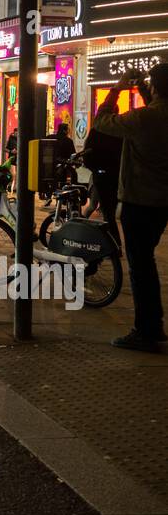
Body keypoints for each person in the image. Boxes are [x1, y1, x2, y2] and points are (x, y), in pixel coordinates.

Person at [94, 64, 168, 352]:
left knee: (141, 265)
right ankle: (153, 324)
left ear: (156, 87)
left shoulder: (143, 118)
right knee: (146, 261)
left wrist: (118, 87)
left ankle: (146, 329)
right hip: (163, 201)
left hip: (140, 200)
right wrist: (140, 88)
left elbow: (102, 120)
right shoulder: (154, 114)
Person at [82, 121, 122, 252]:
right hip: (116, 177)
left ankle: (113, 245)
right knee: (107, 211)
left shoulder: (97, 131)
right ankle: (113, 244)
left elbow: (87, 155)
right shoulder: (120, 131)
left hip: (101, 176)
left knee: (104, 211)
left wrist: (96, 169)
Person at [52, 122, 76, 186]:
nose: (68, 131)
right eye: (68, 129)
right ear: (64, 131)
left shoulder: (52, 138)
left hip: (51, 164)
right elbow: (73, 154)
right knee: (74, 173)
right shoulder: (68, 141)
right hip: (64, 164)